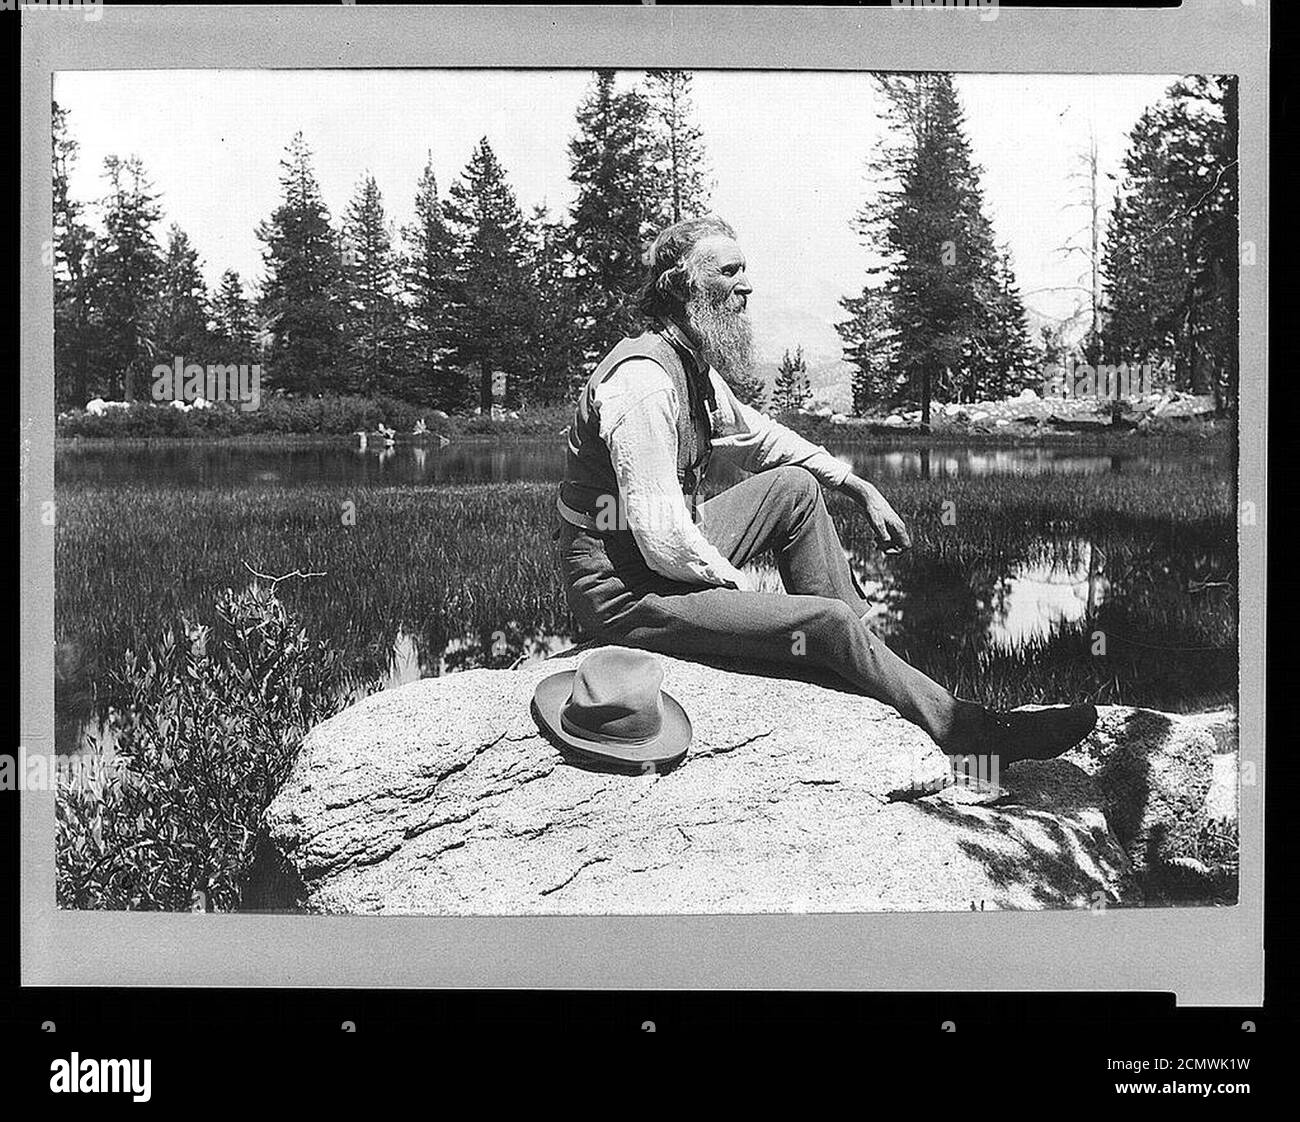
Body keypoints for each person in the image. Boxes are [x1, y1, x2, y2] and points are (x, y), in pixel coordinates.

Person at [553, 214, 1095, 762]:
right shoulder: (643, 382)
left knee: (793, 487)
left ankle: (866, 659)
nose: (746, 285)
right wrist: (740, 598)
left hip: (653, 558)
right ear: (682, 285)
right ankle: (967, 731)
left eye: (746, 271)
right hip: (623, 591)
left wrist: (856, 485)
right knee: (823, 621)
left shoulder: (689, 364)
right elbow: (662, 539)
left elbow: (762, 440)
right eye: (729, 271)